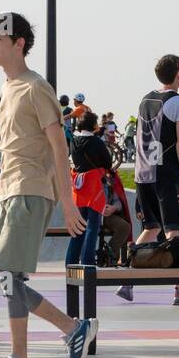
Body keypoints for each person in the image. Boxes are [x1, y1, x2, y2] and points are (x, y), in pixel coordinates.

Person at [0, 12, 94, 358]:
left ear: (18, 43)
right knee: (8, 278)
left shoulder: (35, 87)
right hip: (10, 189)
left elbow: (59, 147)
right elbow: (12, 151)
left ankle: (69, 330)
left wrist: (68, 203)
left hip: (30, 190)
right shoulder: (7, 90)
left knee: (5, 278)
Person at [124, 53, 179, 306]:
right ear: (177, 73)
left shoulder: (145, 99)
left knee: (151, 228)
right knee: (173, 231)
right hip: (165, 173)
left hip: (143, 172)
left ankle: (127, 279)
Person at [68, 113, 110, 268]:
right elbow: (108, 162)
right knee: (93, 225)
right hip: (94, 186)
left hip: (79, 186)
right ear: (93, 125)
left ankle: (70, 261)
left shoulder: (73, 141)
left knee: (79, 226)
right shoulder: (96, 142)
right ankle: (87, 261)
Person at [100, 168, 132, 265]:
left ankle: (109, 254)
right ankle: (107, 257)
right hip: (90, 215)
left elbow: (117, 201)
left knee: (124, 226)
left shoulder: (110, 177)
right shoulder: (89, 173)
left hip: (106, 216)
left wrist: (113, 208)